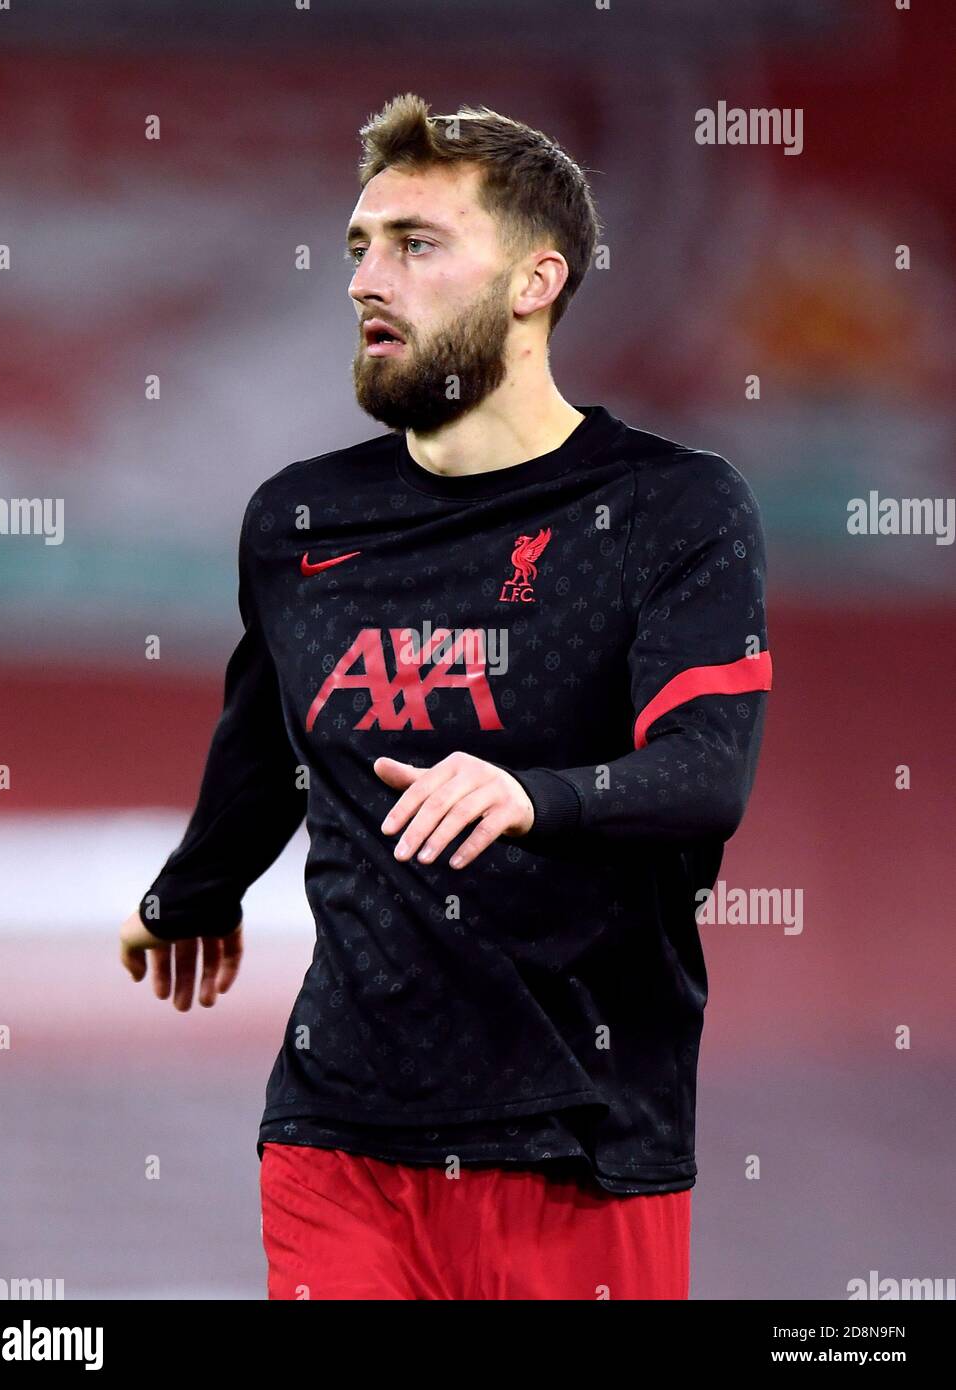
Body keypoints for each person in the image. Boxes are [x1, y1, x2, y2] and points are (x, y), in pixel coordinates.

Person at [119, 92, 773, 1300]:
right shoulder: (301, 519)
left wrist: (531, 796)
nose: (370, 277)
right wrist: (192, 892)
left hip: (585, 1142)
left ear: (534, 282)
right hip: (339, 1137)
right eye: (359, 245)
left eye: (417, 245)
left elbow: (704, 772)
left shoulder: (671, 510)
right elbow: (269, 739)